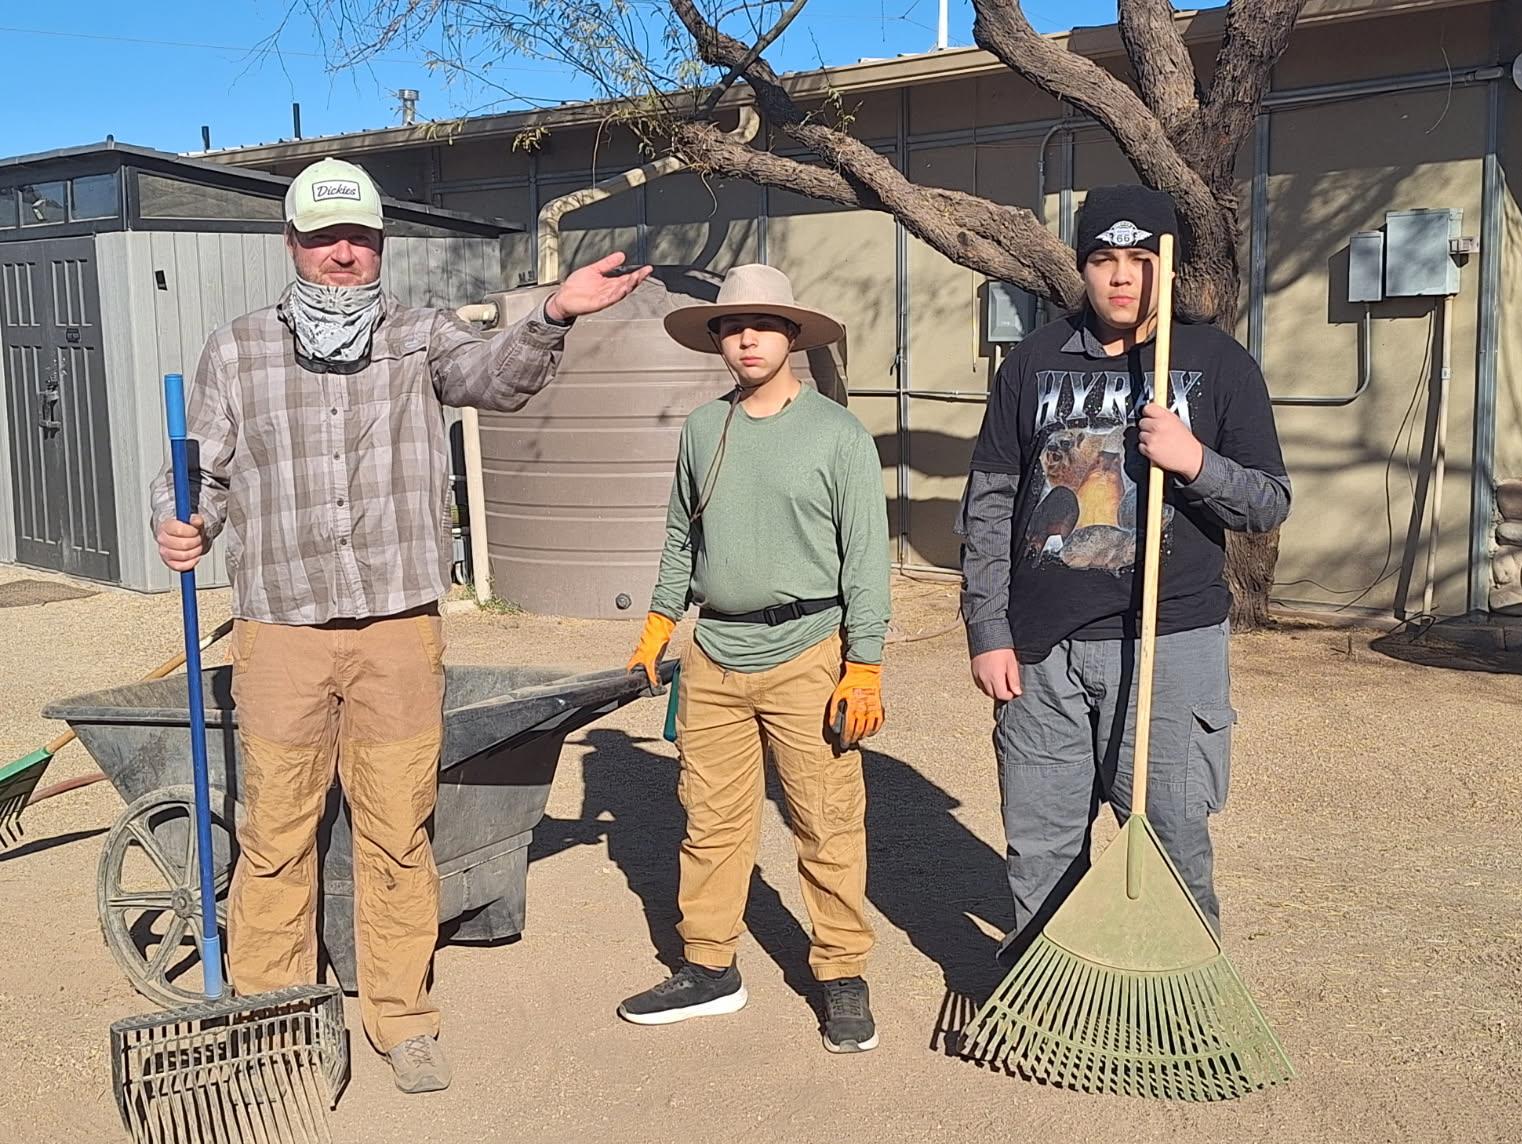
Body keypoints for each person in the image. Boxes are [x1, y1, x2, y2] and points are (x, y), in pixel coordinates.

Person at [149, 156, 648, 1093]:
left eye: (362, 236)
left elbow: (500, 382)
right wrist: (180, 522)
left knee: (395, 826)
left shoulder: (422, 338)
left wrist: (553, 314)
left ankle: (399, 1014)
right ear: (292, 241)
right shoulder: (239, 349)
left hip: (397, 631)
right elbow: (199, 476)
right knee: (277, 829)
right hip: (282, 628)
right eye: (326, 235)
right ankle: (271, 1012)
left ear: (381, 243)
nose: (345, 252)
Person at [958, 183, 1290, 954]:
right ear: (1082, 265)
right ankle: (1050, 1006)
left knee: (1172, 840)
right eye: (1103, 259)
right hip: (1043, 652)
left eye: (1140, 260)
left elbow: (1268, 503)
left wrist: (1195, 460)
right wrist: (987, 627)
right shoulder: (1032, 364)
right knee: (1041, 848)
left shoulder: (1217, 363)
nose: (1120, 277)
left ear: (1167, 270)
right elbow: (988, 503)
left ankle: (1178, 1005)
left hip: (1170, 647)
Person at [618, 264, 892, 1053]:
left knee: (826, 820)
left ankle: (841, 974)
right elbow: (681, 539)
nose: (747, 337)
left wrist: (863, 662)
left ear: (792, 336)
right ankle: (709, 967)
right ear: (717, 340)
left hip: (811, 650)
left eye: (764, 325)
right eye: (732, 326)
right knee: (710, 821)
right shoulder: (703, 430)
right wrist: (658, 627)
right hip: (714, 654)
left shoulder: (838, 435)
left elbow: (865, 559)